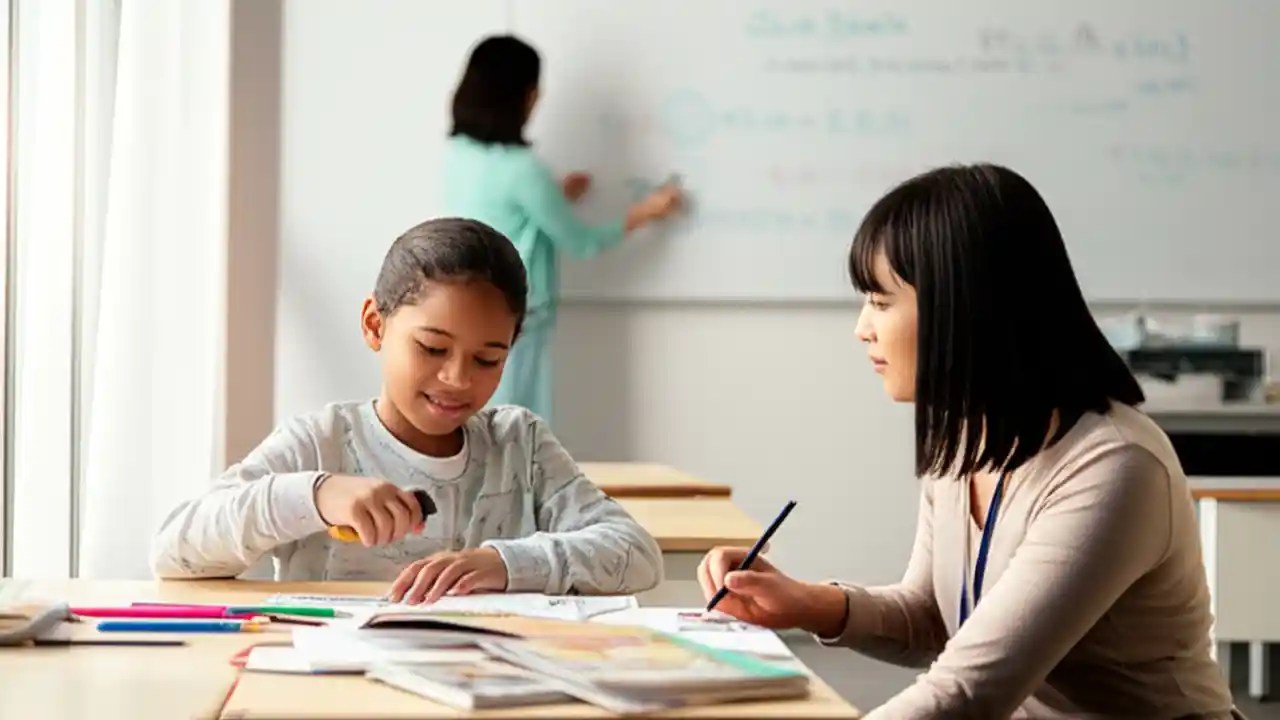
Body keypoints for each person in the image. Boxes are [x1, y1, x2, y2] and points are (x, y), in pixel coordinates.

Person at [698, 165, 1238, 718]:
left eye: (881, 303)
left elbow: (969, 691)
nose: (862, 328)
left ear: (962, 306)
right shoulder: (967, 435)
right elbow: (935, 616)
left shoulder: (1114, 467)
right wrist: (810, 604)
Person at [151, 218, 663, 603]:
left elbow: (637, 554)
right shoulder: (321, 442)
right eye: (432, 349)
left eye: (488, 359)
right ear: (375, 325)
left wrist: (505, 564)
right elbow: (174, 551)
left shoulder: (520, 444)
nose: (458, 378)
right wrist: (317, 494)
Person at [441, 34, 683, 423]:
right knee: (520, 430)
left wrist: (554, 197)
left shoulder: (459, 155)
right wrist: (647, 211)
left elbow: (502, 213)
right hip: (519, 314)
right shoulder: (523, 170)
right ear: (524, 96)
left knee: (480, 423)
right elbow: (582, 242)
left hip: (465, 307)